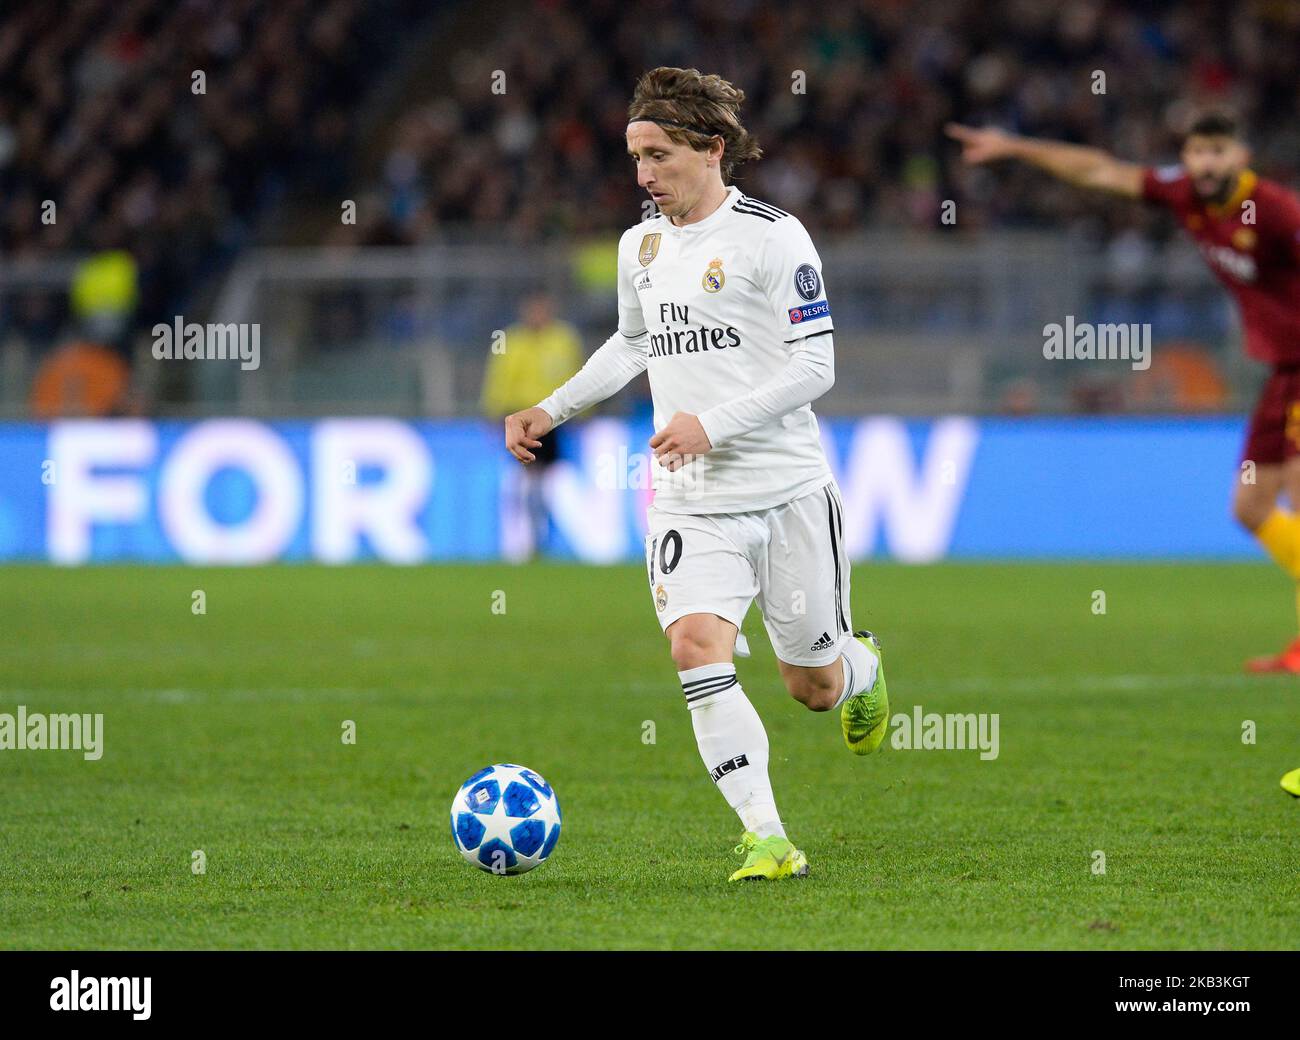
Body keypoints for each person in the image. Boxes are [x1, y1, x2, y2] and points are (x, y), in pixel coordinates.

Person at [504, 67, 889, 882]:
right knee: (695, 648)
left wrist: (710, 425)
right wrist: (552, 408)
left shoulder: (773, 236)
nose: (643, 175)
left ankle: (864, 666)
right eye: (635, 156)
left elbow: (816, 366)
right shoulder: (638, 245)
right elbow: (633, 344)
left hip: (786, 490)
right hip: (689, 500)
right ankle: (767, 837)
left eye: (659, 155)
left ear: (712, 150)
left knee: (811, 686)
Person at [482, 292, 583, 559]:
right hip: (522, 418)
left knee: (547, 479)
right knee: (530, 476)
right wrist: (495, 411)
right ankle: (533, 536)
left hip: (554, 418)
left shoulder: (563, 339)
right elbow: (500, 379)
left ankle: (540, 533)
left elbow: (578, 377)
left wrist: (583, 411)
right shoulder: (512, 341)